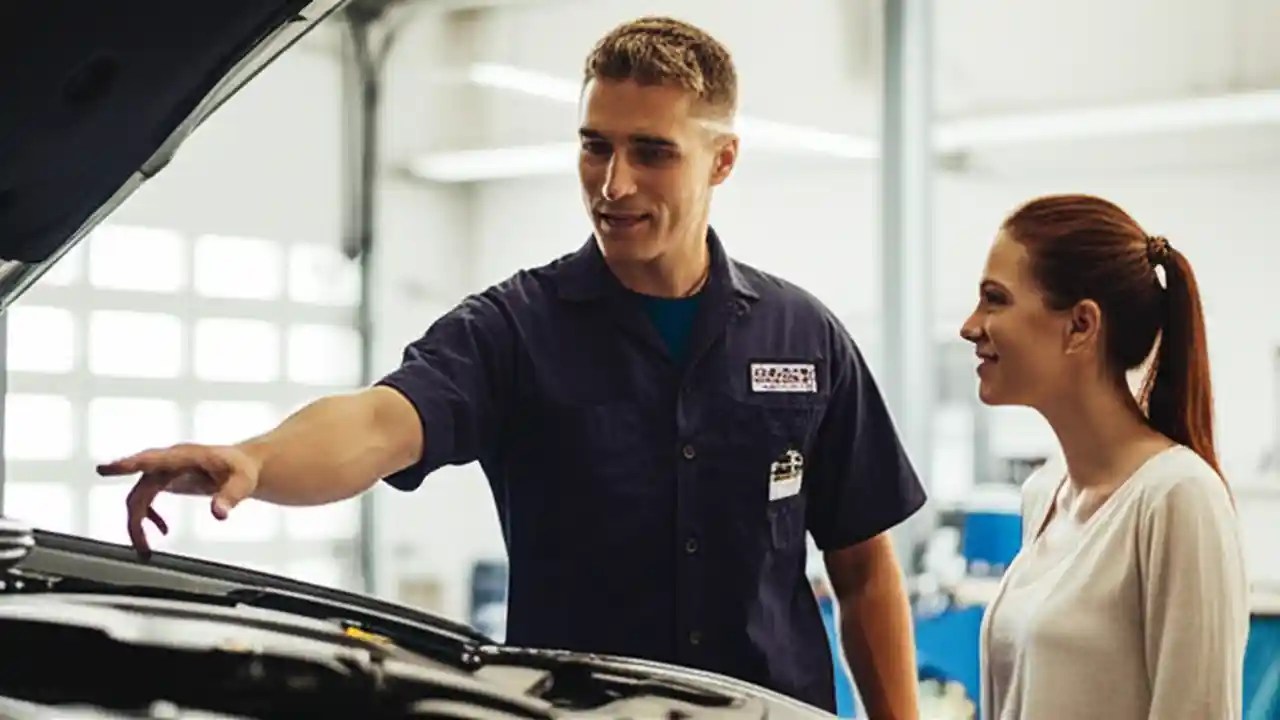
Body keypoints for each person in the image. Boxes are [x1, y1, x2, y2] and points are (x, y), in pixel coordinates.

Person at [99, 15, 928, 717]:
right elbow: (380, 422)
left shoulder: (804, 338)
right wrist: (258, 459)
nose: (613, 183)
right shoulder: (514, 330)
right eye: (594, 147)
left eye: (652, 152)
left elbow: (863, 573)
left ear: (722, 160)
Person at [959, 194, 1249, 719]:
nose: (971, 325)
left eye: (995, 299)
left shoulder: (1177, 497)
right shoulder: (1044, 494)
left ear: (1082, 326)